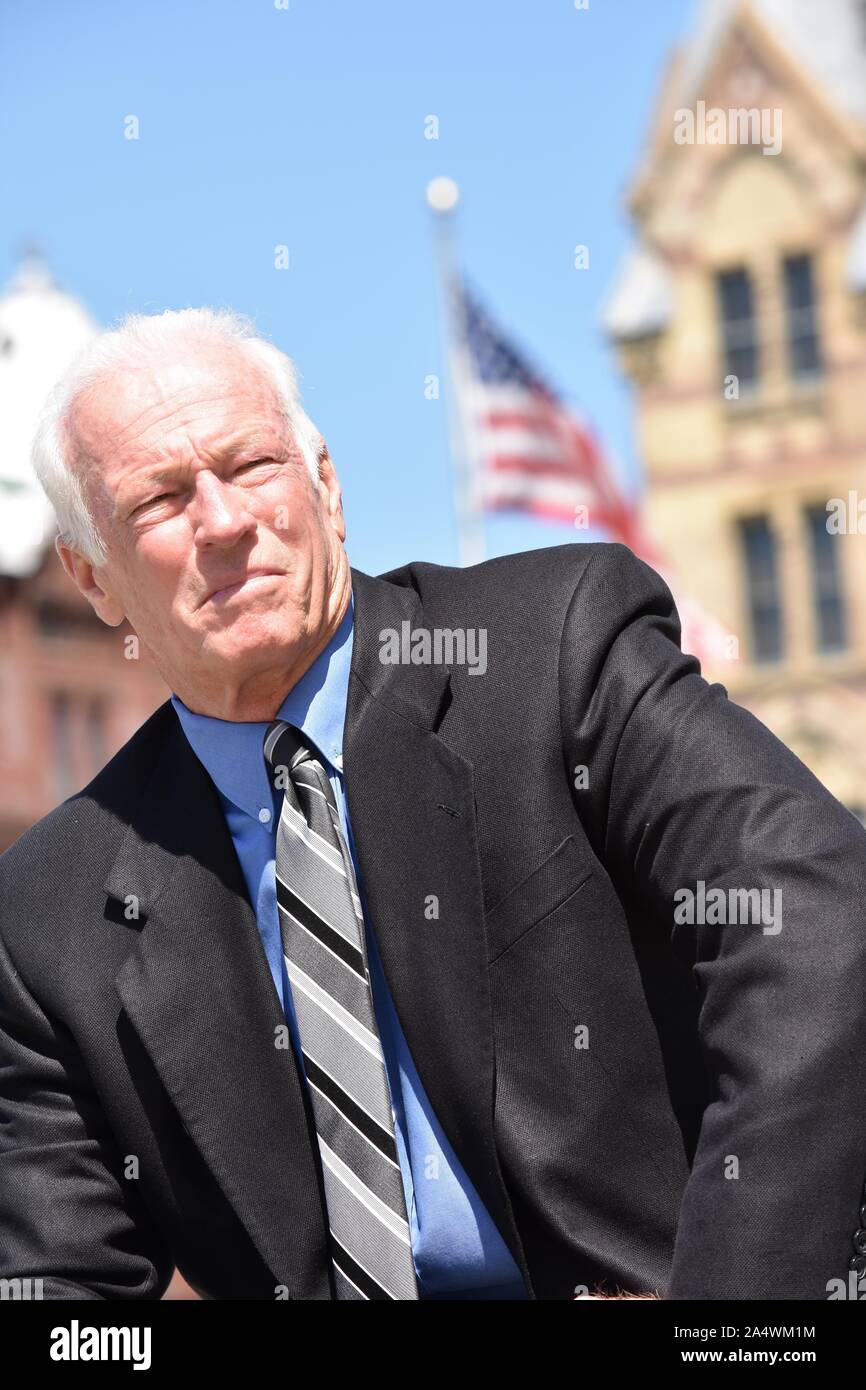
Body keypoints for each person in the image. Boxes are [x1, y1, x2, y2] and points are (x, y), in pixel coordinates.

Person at [1, 307, 865, 1302]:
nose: (225, 521)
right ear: (89, 575)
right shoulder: (44, 917)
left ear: (324, 485)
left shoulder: (556, 654)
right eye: (159, 498)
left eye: (251, 466)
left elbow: (811, 916)